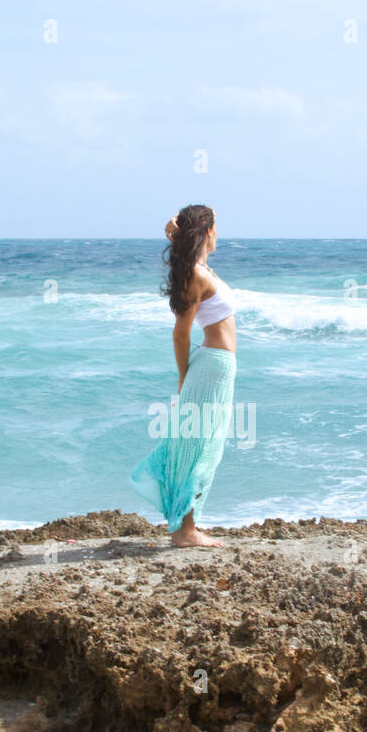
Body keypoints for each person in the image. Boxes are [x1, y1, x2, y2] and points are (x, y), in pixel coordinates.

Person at [130, 204, 237, 547]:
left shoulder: (203, 268)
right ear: (206, 232)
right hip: (210, 367)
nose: (219, 232)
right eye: (215, 227)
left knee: (204, 444)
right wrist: (183, 375)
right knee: (197, 445)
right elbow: (180, 334)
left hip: (218, 367)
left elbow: (179, 233)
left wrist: (178, 228)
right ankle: (186, 532)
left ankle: (186, 527)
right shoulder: (197, 274)